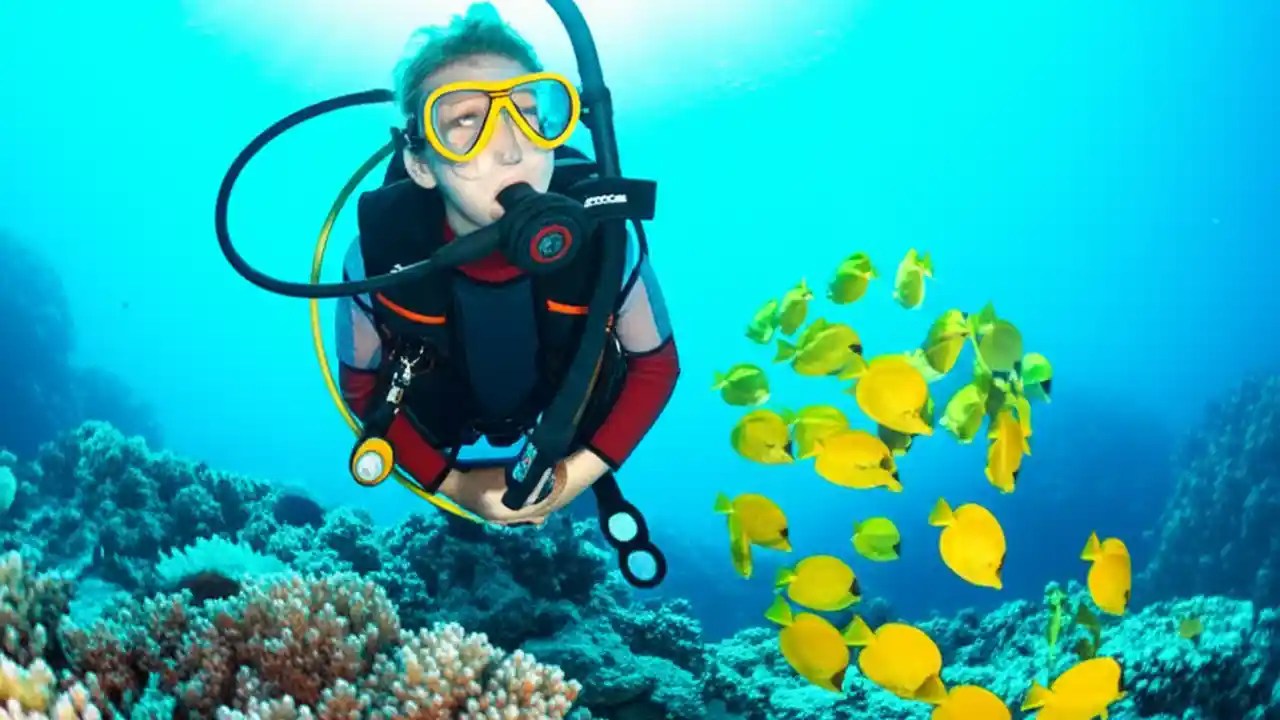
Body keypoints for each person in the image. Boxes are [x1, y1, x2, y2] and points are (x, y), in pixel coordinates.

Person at [334, 3, 680, 526]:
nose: (512, 148)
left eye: (528, 112)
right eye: (465, 121)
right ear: (420, 165)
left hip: (559, 416)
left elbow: (656, 366)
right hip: (443, 415)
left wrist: (576, 478)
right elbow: (361, 387)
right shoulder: (378, 260)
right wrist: (456, 485)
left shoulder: (605, 240)